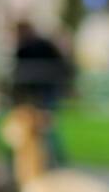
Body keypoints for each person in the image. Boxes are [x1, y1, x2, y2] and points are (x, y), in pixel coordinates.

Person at [11, 20, 73, 165]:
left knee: (46, 126)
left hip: (45, 92)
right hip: (37, 93)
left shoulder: (36, 46)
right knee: (38, 128)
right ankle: (48, 161)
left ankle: (57, 162)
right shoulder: (33, 46)